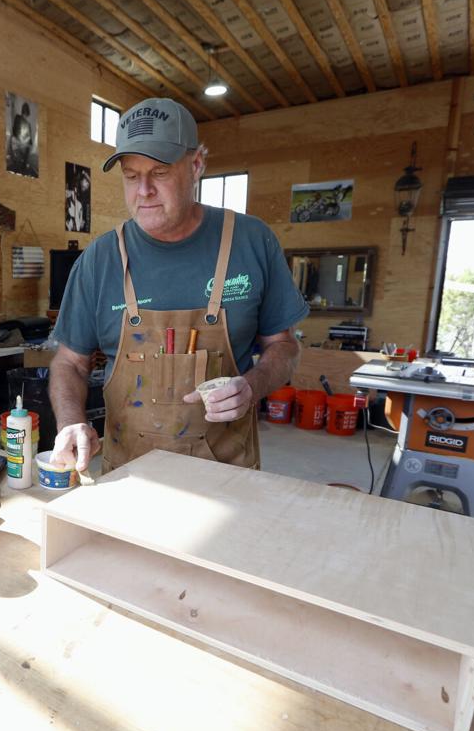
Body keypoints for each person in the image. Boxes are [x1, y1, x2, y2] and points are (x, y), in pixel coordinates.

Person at [49, 97, 309, 475]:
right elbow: (69, 363)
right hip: (128, 477)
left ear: (196, 165)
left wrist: (253, 385)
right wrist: (70, 422)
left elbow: (284, 347)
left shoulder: (252, 241)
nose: (144, 190)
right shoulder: (99, 260)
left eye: (159, 172)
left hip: (228, 473)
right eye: (131, 175)